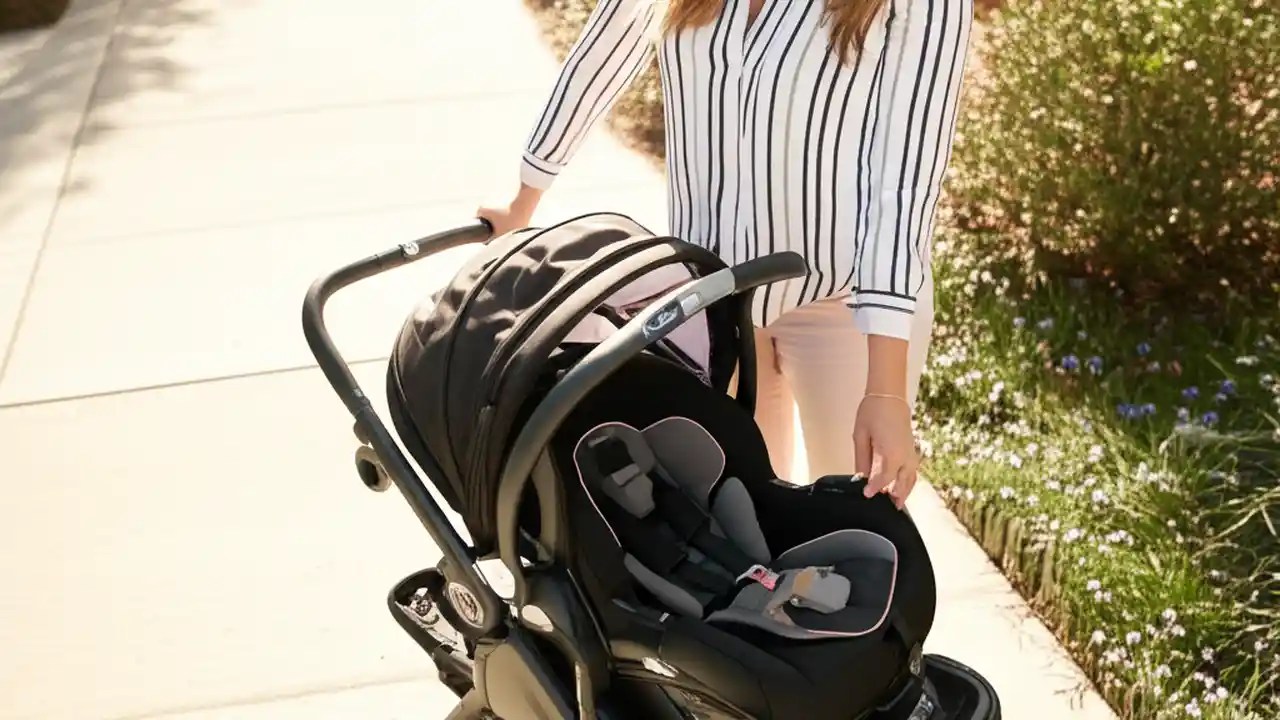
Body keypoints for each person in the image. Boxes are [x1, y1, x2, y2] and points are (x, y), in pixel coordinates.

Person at [479, 0, 972, 508]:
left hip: (843, 306)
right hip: (714, 303)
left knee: (851, 538)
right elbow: (610, 39)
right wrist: (526, 196)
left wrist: (886, 391)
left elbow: (905, 182)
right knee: (740, 541)